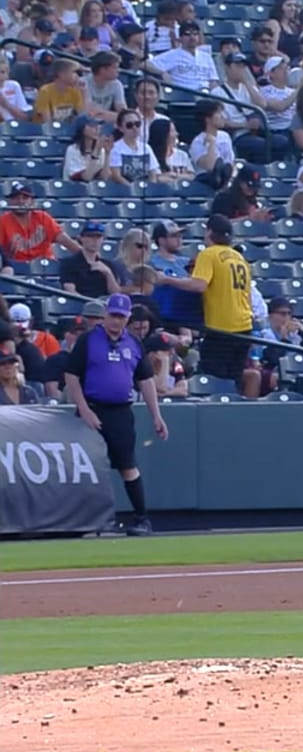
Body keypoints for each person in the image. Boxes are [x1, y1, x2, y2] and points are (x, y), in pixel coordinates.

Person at [62, 293, 169, 535]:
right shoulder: (89, 340)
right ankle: (85, 522)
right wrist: (84, 409)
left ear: (128, 318)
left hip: (120, 411)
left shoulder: (133, 343)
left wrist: (156, 415)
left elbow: (146, 380)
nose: (116, 321)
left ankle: (142, 519)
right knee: (86, 468)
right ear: (105, 315)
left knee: (127, 466)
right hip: (93, 408)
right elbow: (72, 376)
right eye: (113, 315)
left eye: (121, 317)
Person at [159, 214, 254, 389]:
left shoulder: (209, 253)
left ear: (209, 232)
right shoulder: (239, 257)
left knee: (213, 382)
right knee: (234, 383)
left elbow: (199, 285)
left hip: (222, 328)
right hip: (245, 328)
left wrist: (167, 280)